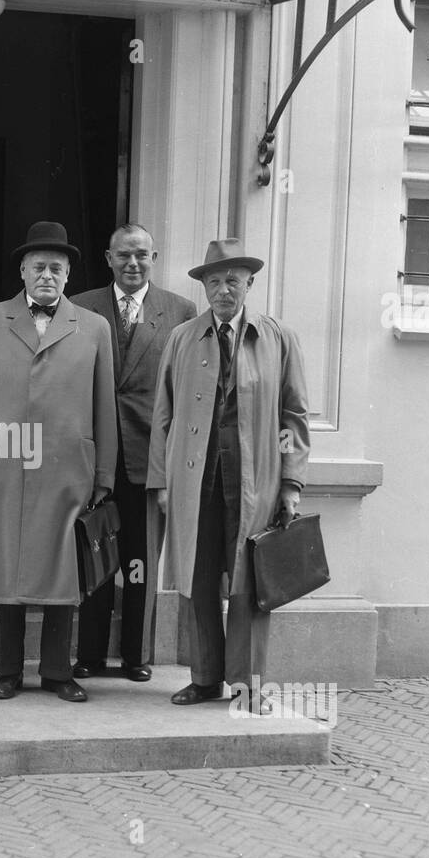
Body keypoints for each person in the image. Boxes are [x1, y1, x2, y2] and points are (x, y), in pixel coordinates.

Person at [0, 221, 118, 703]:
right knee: (9, 567)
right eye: (39, 267)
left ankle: (55, 670)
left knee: (61, 573)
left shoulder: (94, 327)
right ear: (23, 271)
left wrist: (103, 473)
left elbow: (104, 405)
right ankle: (6, 670)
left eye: (57, 269)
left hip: (69, 468)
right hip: (3, 464)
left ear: (68, 276)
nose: (47, 275)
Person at [146, 238, 310, 708]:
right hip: (195, 480)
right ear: (203, 287)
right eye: (214, 281)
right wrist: (161, 482)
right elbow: (163, 415)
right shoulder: (182, 338)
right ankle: (204, 678)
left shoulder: (277, 338)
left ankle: (247, 685)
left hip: (254, 482)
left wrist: (292, 484)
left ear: (249, 284)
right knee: (199, 581)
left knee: (248, 586)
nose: (223, 290)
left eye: (233, 281)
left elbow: (294, 416)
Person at [70, 224, 196, 684]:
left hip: (149, 456)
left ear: (154, 257)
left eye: (141, 255)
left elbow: (185, 391)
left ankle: (136, 654)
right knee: (94, 553)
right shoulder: (82, 307)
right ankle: (89, 655)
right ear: (107, 258)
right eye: (123, 255)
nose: (132, 264)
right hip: (94, 457)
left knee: (141, 559)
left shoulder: (181, 311)